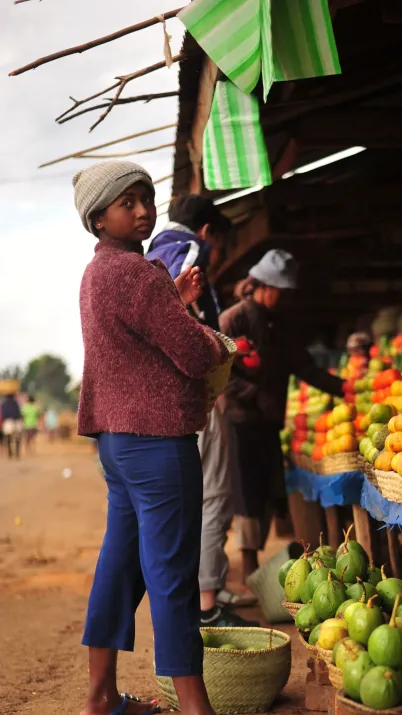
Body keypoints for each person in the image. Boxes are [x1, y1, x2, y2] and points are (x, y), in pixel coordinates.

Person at [72, 160, 271, 715]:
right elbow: (188, 353)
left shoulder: (97, 273)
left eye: (145, 199)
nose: (142, 210)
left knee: (123, 565)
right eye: (127, 203)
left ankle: (101, 697)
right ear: (98, 216)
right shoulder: (137, 273)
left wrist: (174, 303)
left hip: (118, 443)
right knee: (172, 575)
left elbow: (142, 341)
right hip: (157, 443)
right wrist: (216, 339)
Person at [147, 195, 257, 629]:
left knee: (188, 496)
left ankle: (200, 592)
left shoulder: (153, 251)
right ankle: (207, 601)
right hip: (194, 389)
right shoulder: (189, 252)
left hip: (166, 396)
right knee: (214, 493)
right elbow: (175, 319)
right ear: (208, 231)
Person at [220, 249, 346, 583]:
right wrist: (255, 395)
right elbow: (220, 374)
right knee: (247, 493)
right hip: (240, 419)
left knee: (268, 491)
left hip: (269, 420)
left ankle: (265, 569)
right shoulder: (234, 319)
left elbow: (302, 365)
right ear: (264, 285)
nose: (284, 297)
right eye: (281, 291)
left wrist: (343, 387)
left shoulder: (281, 324)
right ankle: (248, 569)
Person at [2, 394, 23, 459]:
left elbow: (3, 414)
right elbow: (19, 413)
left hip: (8, 422)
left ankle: (10, 452)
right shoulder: (16, 403)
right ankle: (17, 452)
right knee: (18, 438)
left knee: (8, 438)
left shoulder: (4, 403)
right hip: (16, 421)